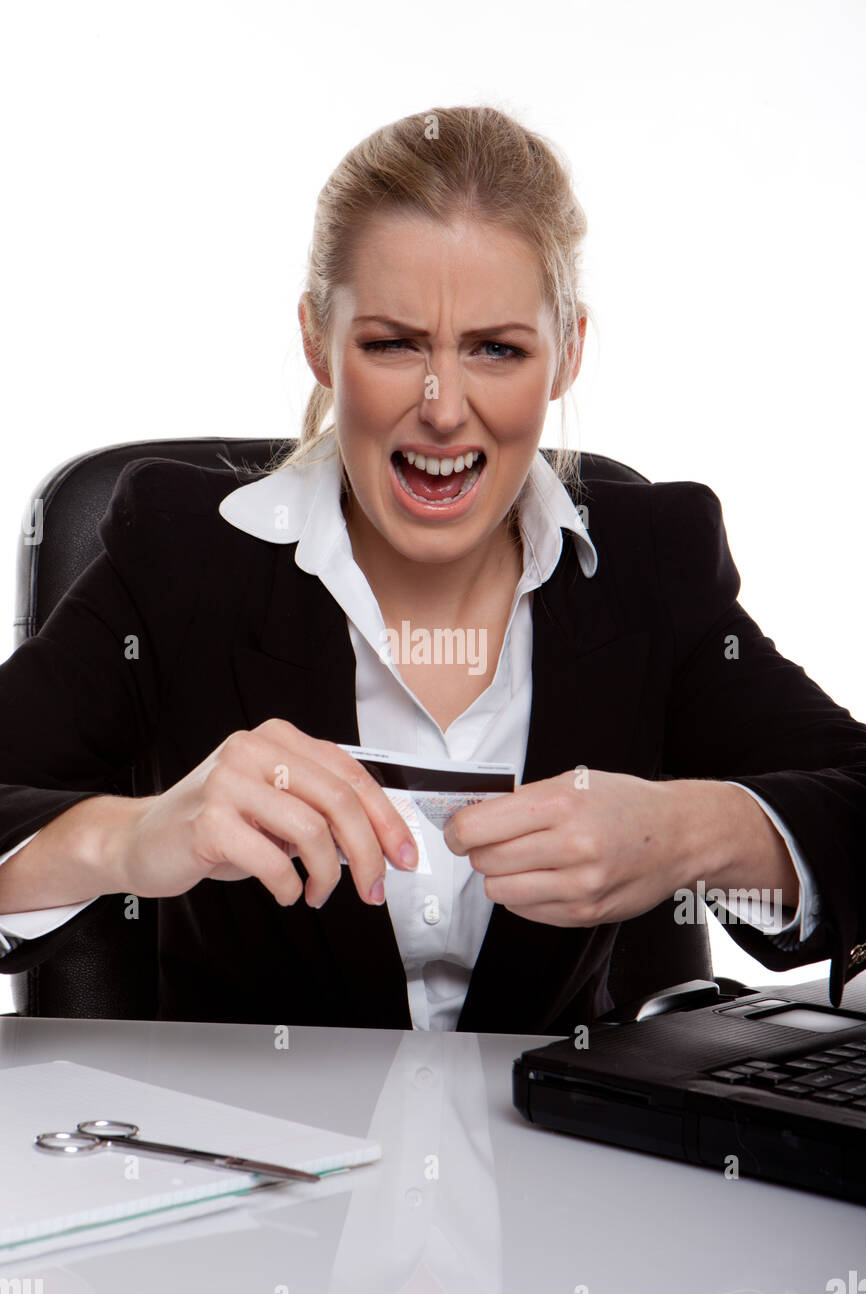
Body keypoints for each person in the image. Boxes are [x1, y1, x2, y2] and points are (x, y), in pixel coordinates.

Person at [1, 105, 865, 1033]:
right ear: (315, 342)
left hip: (564, 1159)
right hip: (259, 1154)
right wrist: (134, 838)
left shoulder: (651, 563)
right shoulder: (183, 555)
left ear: (567, 352)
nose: (443, 408)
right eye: (391, 344)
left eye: (497, 349)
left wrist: (688, 836)